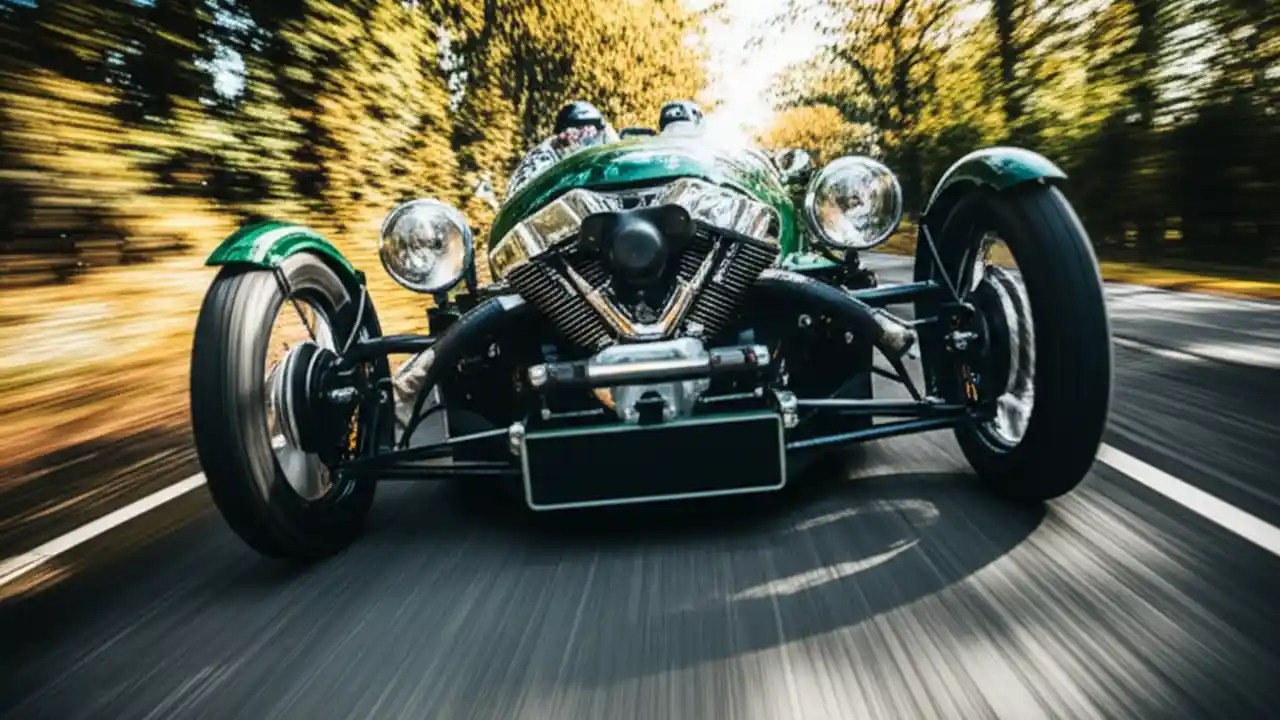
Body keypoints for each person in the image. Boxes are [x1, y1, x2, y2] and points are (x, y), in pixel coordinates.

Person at [505, 101, 620, 199]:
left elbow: (616, 154)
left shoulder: (602, 155)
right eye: (581, 134)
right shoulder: (541, 159)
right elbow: (522, 196)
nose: (587, 140)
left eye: (592, 135)